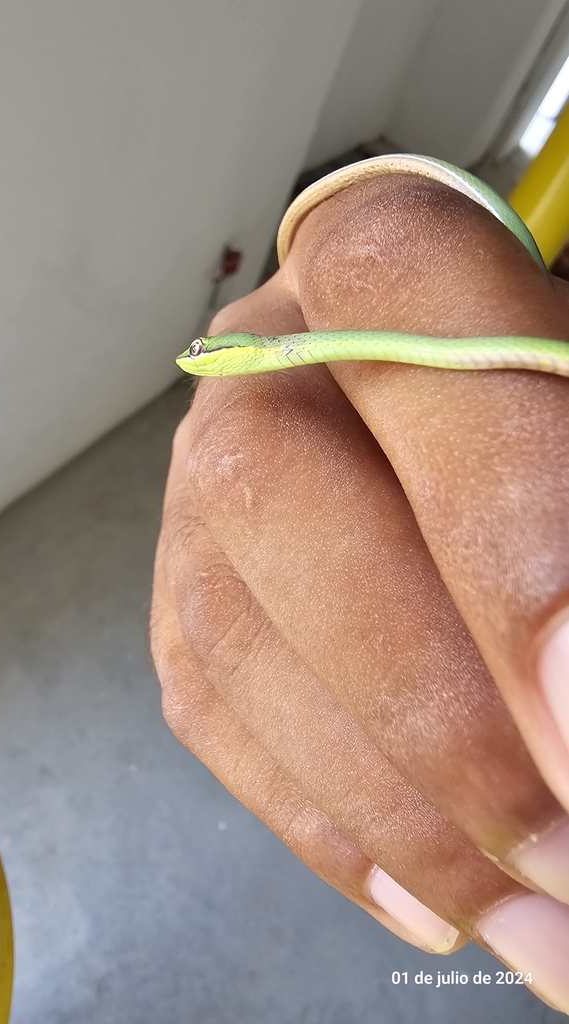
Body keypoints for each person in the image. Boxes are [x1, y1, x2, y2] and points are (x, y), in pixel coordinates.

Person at [150, 169, 569, 1013]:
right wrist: (346, 225)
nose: (197, 364)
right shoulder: (271, 360)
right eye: (201, 357)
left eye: (204, 354)